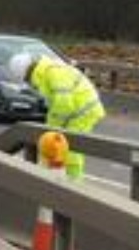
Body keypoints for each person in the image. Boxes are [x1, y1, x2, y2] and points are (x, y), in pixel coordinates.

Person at [9, 52, 104, 180]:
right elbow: (58, 105)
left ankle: (73, 184)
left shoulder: (51, 73)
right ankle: (68, 181)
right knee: (64, 145)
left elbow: (63, 105)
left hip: (82, 111)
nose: (29, 83)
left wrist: (52, 129)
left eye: (26, 79)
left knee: (70, 148)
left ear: (26, 73)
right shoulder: (47, 71)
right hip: (80, 109)